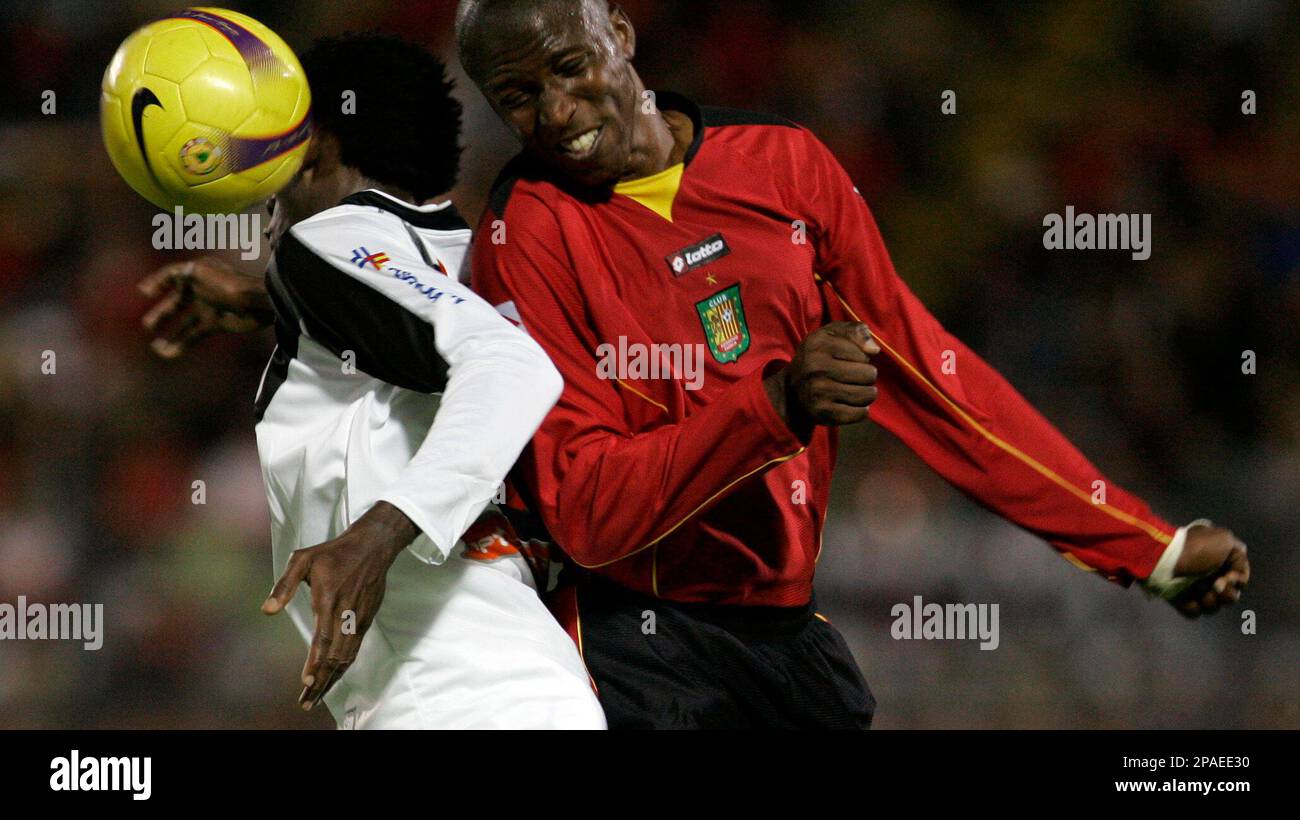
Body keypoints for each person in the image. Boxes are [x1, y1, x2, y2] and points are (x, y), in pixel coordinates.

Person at [453, 0, 1251, 729]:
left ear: (620, 35)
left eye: (569, 67)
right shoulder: (524, 238)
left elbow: (936, 381)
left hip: (786, 633)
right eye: (517, 96)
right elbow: (588, 512)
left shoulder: (783, 165)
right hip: (632, 648)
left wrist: (1145, 546)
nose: (556, 113)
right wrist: (774, 406)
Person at [137, 32, 604, 729]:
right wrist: (278, 304)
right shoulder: (476, 263)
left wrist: (380, 534)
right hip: (530, 687)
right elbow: (435, 343)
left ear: (313, 145)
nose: (262, 186)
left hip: (455, 702)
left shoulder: (327, 240)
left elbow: (509, 366)